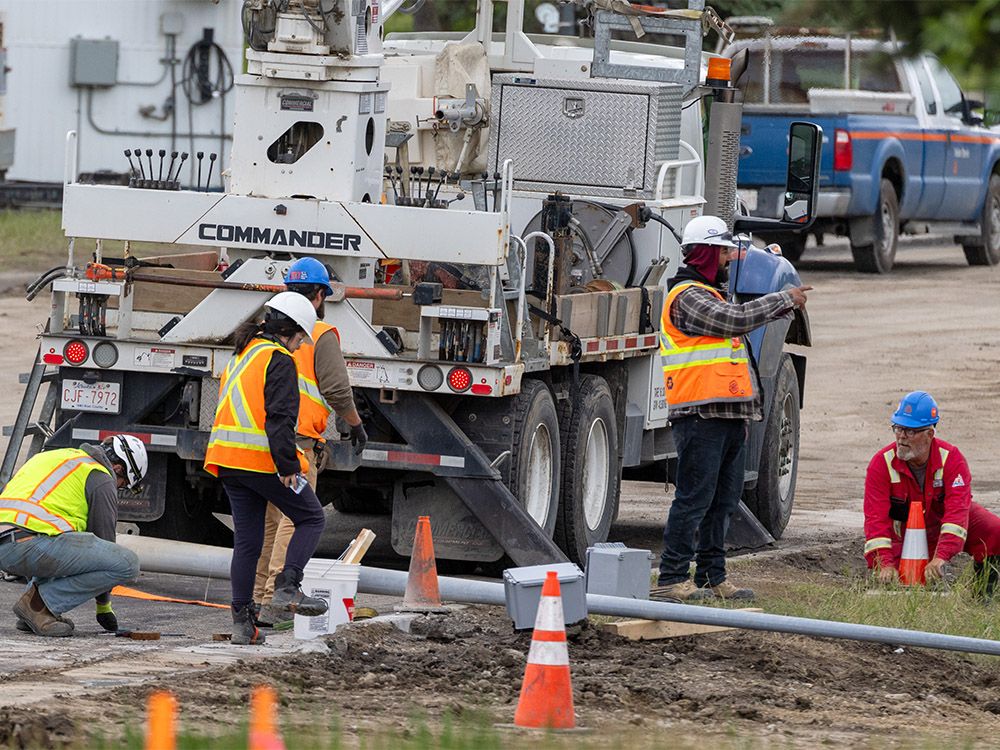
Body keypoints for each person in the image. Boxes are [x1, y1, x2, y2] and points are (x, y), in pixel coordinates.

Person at [655, 215, 811, 602]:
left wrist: (746, 413)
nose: (729, 258)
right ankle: (672, 579)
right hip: (700, 417)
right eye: (723, 250)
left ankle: (712, 576)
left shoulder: (711, 294)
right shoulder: (686, 297)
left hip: (727, 417)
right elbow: (734, 322)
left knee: (723, 502)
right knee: (694, 500)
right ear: (705, 253)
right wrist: (781, 299)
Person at [204, 291, 329, 645]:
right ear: (290, 331)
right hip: (261, 462)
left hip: (228, 461)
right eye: (302, 337)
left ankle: (243, 624)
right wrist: (288, 465)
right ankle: (288, 587)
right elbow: (279, 419)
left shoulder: (244, 354)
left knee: (248, 542)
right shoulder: (278, 359)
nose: (302, 344)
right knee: (312, 517)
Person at [253, 258, 368, 627]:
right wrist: (355, 423)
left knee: (271, 522)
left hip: (267, 439)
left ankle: (259, 598)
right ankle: (276, 601)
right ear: (320, 295)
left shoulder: (263, 331)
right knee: (296, 518)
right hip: (299, 443)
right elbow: (336, 388)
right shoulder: (321, 333)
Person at [0, 435, 147, 636]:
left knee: (66, 541)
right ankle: (38, 607)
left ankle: (34, 613)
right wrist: (103, 605)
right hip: (28, 543)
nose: (118, 488)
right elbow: (104, 543)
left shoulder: (53, 457)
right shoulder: (100, 476)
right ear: (119, 469)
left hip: (12, 542)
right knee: (127, 563)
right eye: (122, 484)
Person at [864, 391, 1000, 594]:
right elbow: (875, 519)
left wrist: (942, 556)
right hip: (904, 537)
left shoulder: (952, 459)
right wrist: (884, 562)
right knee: (906, 582)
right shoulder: (881, 463)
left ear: (929, 434)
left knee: (994, 531)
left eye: (910, 431)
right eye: (898, 428)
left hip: (940, 528)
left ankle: (984, 595)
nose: (901, 436)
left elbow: (957, 511)